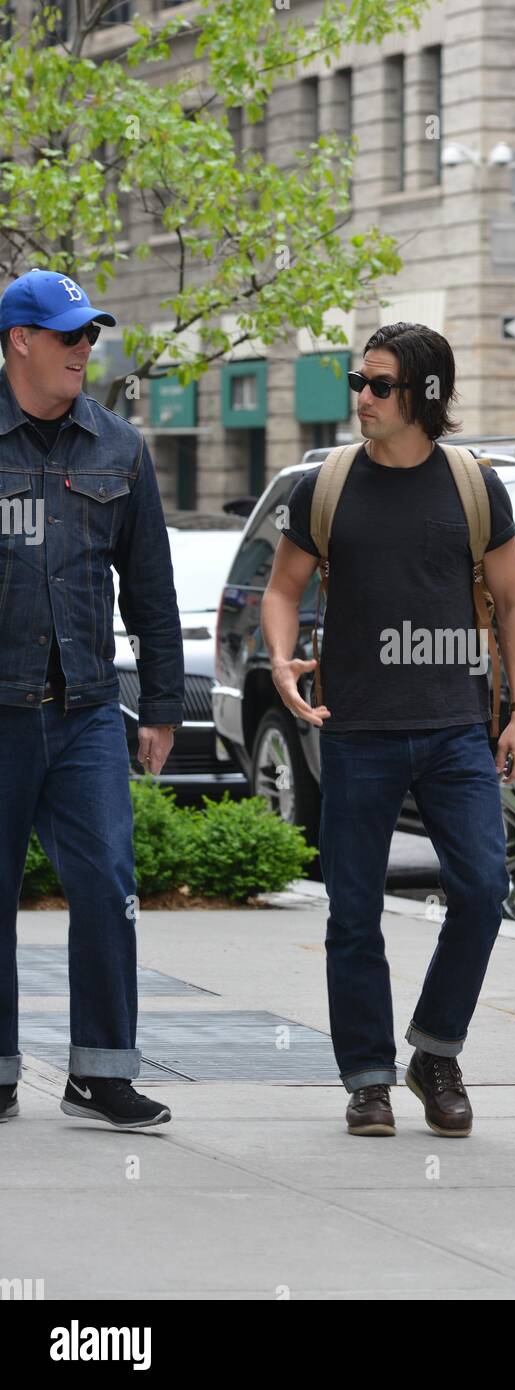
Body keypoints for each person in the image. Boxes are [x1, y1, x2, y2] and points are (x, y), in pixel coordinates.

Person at [262, 321, 515, 1137]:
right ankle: (368, 1079)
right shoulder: (327, 485)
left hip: (456, 726)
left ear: (423, 395)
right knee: (353, 911)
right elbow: (281, 590)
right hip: (356, 730)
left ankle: (435, 1053)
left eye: (379, 386)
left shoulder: (473, 486)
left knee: (484, 893)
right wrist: (281, 660)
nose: (363, 399)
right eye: (359, 382)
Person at [0, 269, 185, 1130]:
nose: (85, 349)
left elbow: (150, 585)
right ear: (19, 343)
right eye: (68, 335)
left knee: (109, 885)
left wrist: (160, 704)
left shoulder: (120, 446)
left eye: (91, 335)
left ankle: (101, 1072)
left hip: (83, 715)